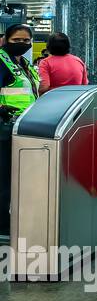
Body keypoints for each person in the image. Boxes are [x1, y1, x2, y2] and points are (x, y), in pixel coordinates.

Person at [0, 24, 39, 235]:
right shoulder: (1, 61)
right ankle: (3, 226)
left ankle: (15, 221)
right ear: (6, 39)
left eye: (26, 40)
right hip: (4, 129)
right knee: (4, 180)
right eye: (17, 40)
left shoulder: (24, 63)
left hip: (23, 127)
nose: (22, 44)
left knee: (17, 179)